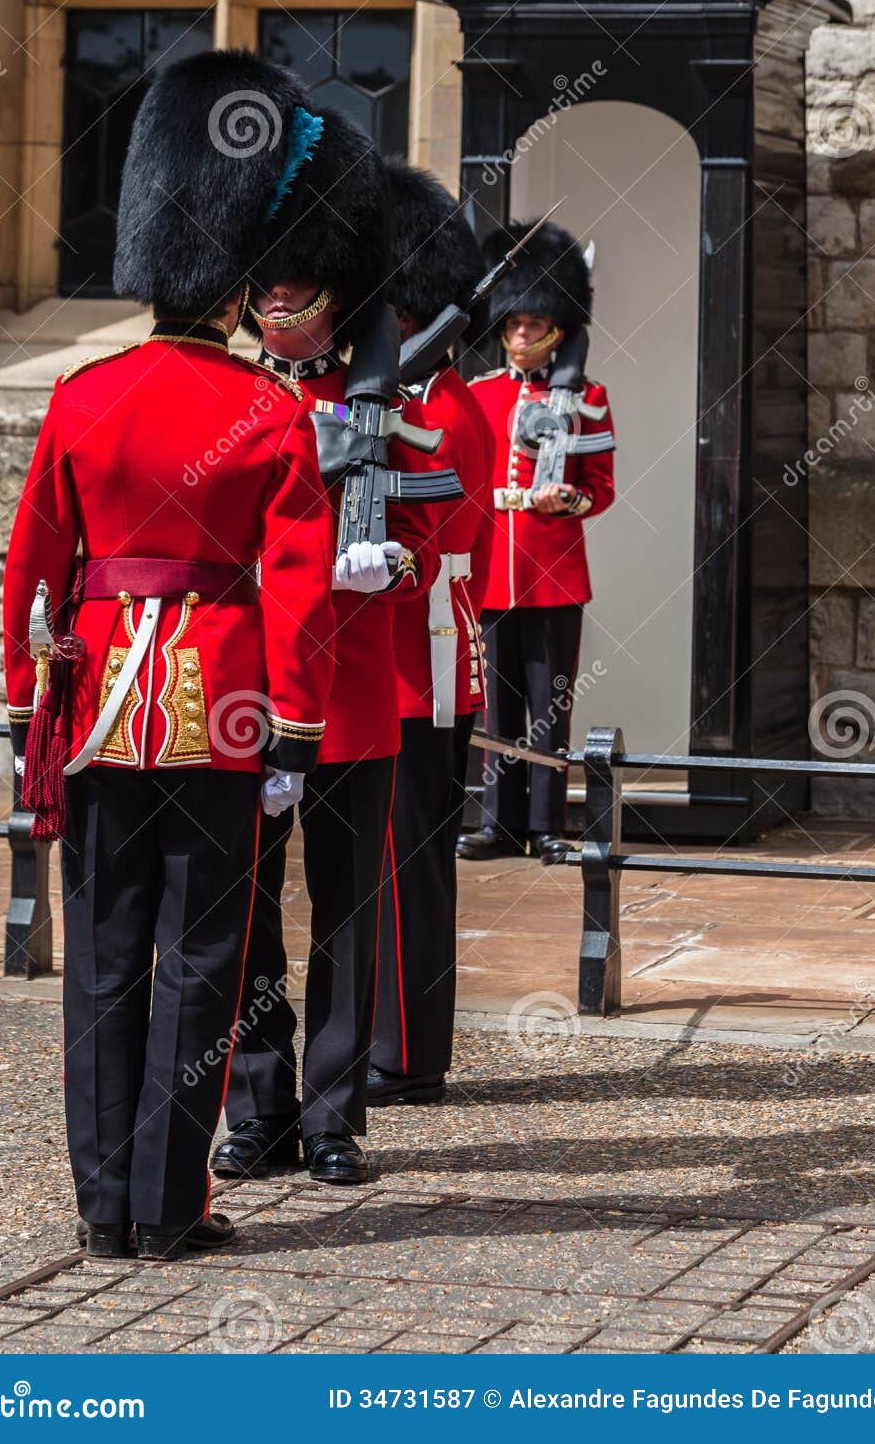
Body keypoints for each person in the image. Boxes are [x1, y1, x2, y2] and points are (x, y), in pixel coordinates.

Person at [3, 49, 340, 1261]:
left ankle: (102, 1210)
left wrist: (27, 697)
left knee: (100, 958)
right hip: (225, 704)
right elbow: (298, 585)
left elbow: (35, 562)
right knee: (202, 959)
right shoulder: (272, 413)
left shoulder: (84, 395)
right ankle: (166, 1204)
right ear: (239, 286)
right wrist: (295, 720)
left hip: (94, 699)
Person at [212, 116, 445, 1187]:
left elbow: (434, 527)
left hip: (349, 689)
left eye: (296, 287)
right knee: (244, 914)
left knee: (347, 909)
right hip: (243, 692)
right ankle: (256, 1109)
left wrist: (388, 565)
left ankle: (331, 1116)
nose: (277, 303)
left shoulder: (389, 402)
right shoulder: (234, 401)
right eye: (266, 287)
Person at [368, 160, 495, 1108]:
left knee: (406, 861)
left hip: (420, 650)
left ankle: (407, 1052)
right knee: (392, 859)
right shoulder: (424, 398)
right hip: (411, 644)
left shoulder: (433, 410)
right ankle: (391, 1038)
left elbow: (418, 537)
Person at [457, 220, 615, 863]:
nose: (520, 336)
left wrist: (568, 500)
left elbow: (600, 487)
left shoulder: (588, 398)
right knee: (498, 708)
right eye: (512, 324)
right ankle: (498, 820)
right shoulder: (479, 395)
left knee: (550, 708)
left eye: (533, 325)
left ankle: (548, 823)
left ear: (556, 328)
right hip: (493, 571)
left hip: (552, 570)